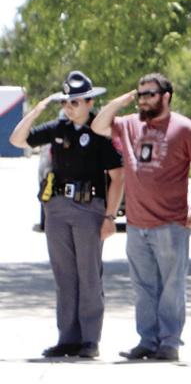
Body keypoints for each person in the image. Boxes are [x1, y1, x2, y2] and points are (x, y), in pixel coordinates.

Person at [92, 73, 191, 361]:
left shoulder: (184, 129)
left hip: (171, 223)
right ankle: (147, 340)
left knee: (172, 287)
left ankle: (169, 342)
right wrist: (122, 100)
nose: (144, 100)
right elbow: (98, 125)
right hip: (136, 224)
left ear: (166, 96)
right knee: (143, 286)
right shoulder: (128, 125)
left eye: (150, 94)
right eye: (141, 94)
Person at [10, 71, 124, 358]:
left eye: (75, 102)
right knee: (64, 275)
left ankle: (89, 339)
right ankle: (67, 338)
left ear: (88, 102)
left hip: (89, 206)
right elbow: (18, 140)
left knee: (88, 274)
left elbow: (118, 177)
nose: (69, 108)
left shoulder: (100, 132)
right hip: (58, 207)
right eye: (65, 103)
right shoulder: (59, 128)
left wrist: (110, 218)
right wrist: (36, 111)